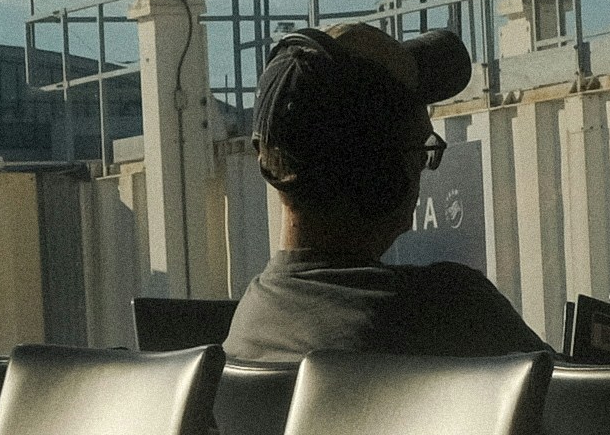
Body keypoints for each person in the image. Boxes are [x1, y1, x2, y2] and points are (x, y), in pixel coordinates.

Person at [220, 23, 535, 363]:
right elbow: (579, 408)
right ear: (386, 178)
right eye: (421, 150)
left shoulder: (252, 322)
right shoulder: (452, 310)